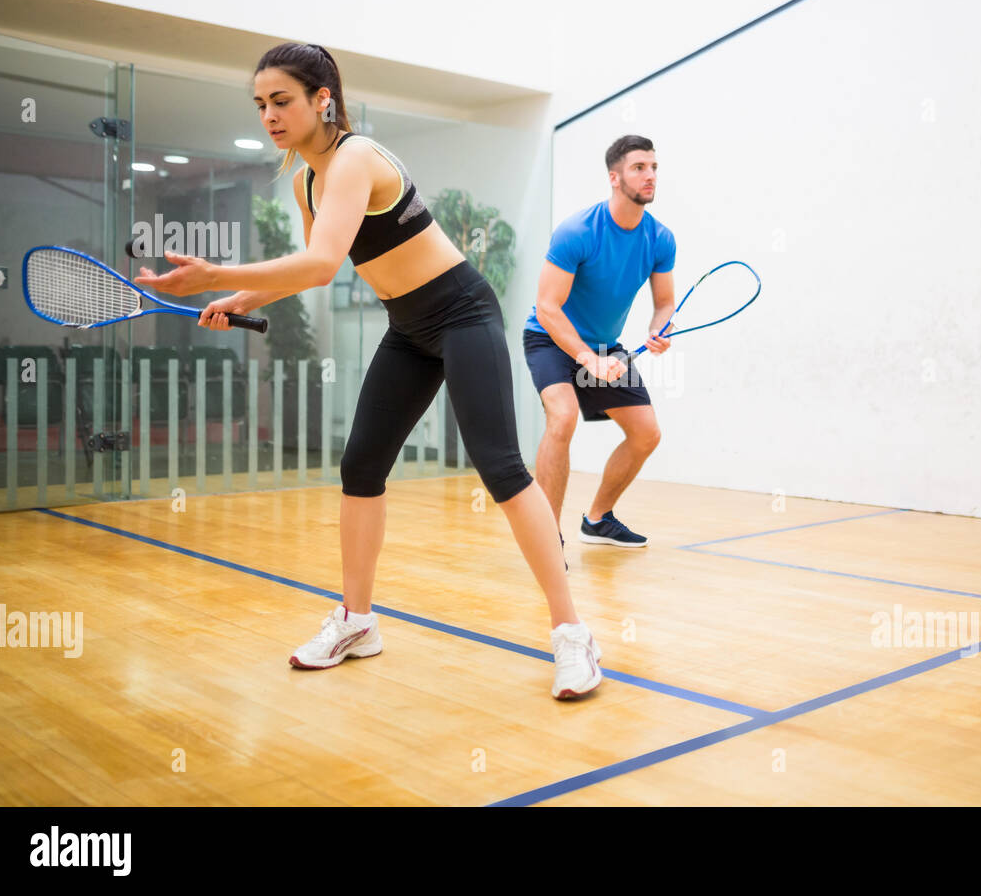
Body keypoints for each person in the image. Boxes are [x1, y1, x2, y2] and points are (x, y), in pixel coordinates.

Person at [135, 42, 601, 699]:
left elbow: (324, 264)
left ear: (322, 99)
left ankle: (573, 634)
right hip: (409, 327)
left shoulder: (354, 159)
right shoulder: (303, 178)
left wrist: (218, 273)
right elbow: (308, 266)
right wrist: (235, 300)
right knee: (361, 465)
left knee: (498, 464)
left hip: (463, 313)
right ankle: (358, 621)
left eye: (282, 101)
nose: (269, 115)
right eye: (261, 104)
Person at [522, 135, 676, 554]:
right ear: (614, 177)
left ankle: (598, 520)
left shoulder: (660, 239)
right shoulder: (577, 232)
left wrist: (659, 329)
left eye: (654, 168)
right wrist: (586, 358)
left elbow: (664, 303)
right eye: (639, 167)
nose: (650, 176)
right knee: (563, 418)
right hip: (550, 339)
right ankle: (546, 537)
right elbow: (548, 307)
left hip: (606, 347)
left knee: (646, 433)